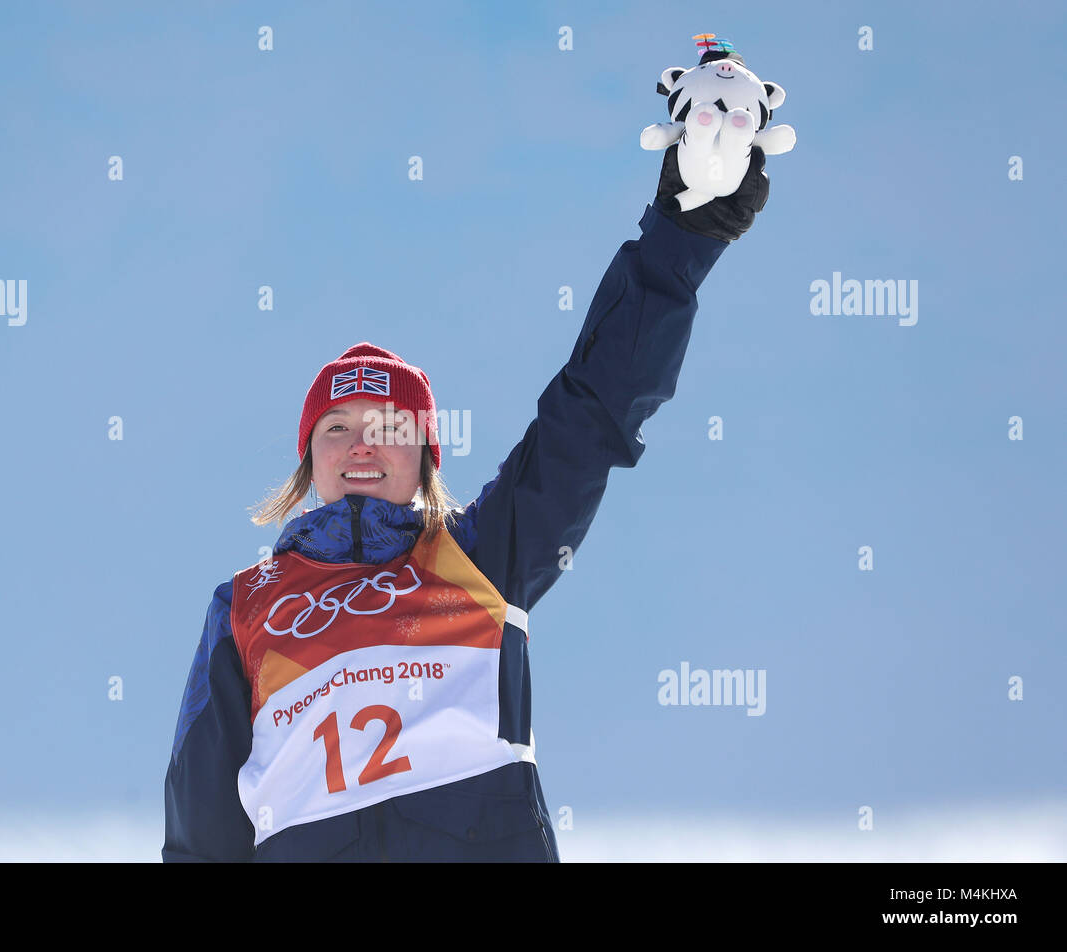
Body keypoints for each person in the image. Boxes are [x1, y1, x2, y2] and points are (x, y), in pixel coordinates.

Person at [162, 123, 771, 863]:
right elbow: (201, 827)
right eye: (337, 428)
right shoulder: (246, 606)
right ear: (308, 461)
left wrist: (685, 227)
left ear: (424, 456)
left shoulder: (482, 554)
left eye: (388, 426)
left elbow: (591, 413)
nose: (360, 443)